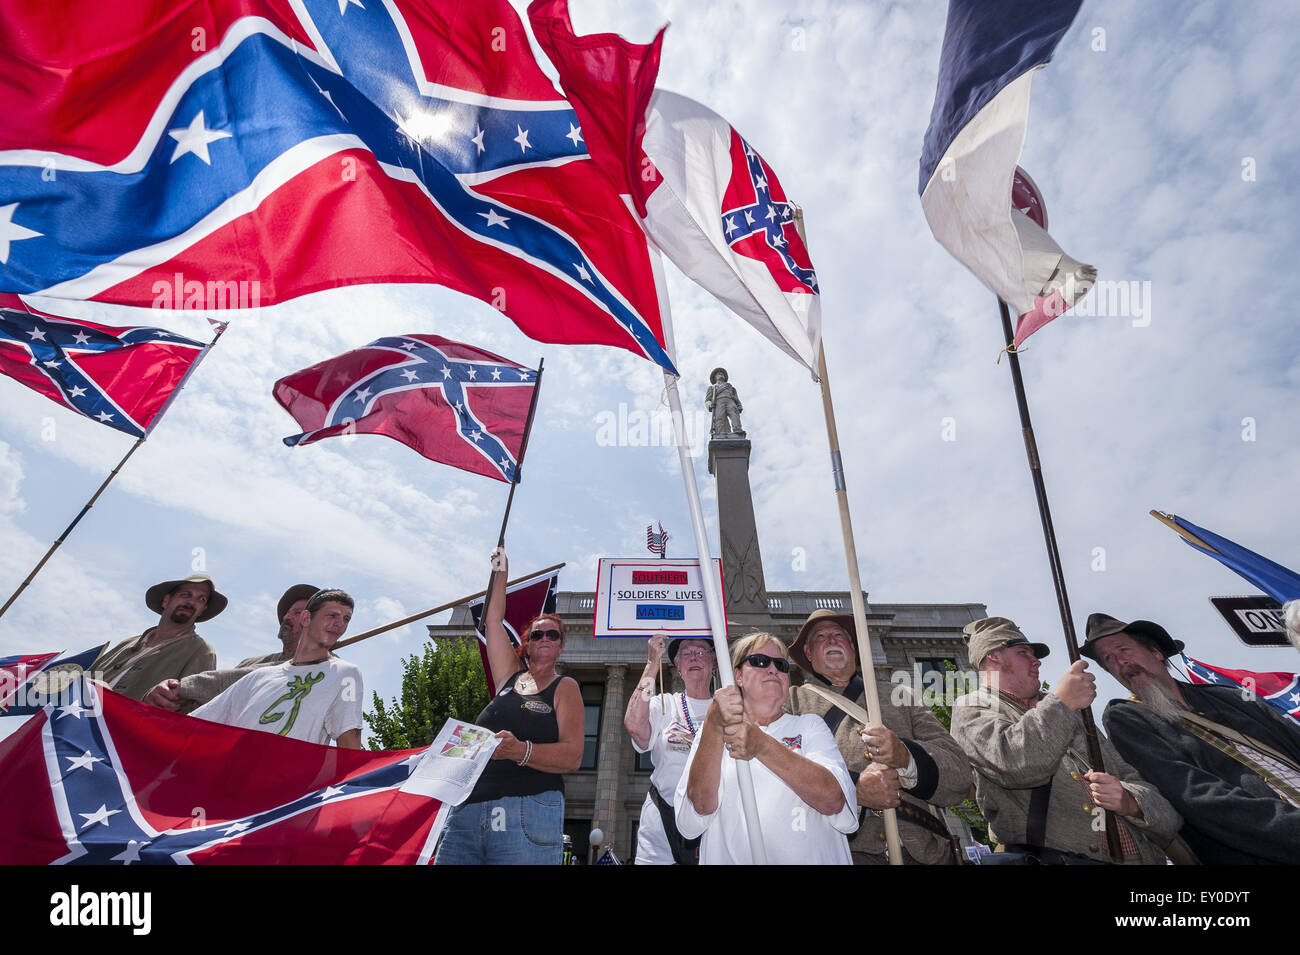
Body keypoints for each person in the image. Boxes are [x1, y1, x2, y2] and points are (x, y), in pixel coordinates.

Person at [950, 616, 1179, 864]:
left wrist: (1130, 801)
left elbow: (1141, 785)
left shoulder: (1074, 710)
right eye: (1023, 652)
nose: (1036, 661)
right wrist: (1061, 703)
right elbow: (1017, 764)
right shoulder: (971, 707)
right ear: (994, 656)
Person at [1083, 611, 1300, 864]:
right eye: (1109, 659)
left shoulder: (1232, 697)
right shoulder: (1127, 718)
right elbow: (1198, 797)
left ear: (1156, 653)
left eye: (1124, 650)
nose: (1120, 662)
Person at [786, 609, 972, 864]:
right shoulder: (791, 702)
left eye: (839, 635)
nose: (831, 640)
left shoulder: (900, 695)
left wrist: (906, 758)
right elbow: (781, 772)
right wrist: (853, 791)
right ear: (808, 654)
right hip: (842, 853)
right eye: (821, 637)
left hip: (925, 853)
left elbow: (960, 774)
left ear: (853, 647)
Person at [435, 548, 583, 864]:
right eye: (538, 633)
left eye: (553, 634)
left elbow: (572, 756)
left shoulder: (564, 687)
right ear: (526, 643)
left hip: (526, 806)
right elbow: (492, 619)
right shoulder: (508, 678)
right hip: (468, 808)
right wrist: (500, 573)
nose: (545, 638)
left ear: (560, 645)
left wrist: (519, 751)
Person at [675, 632, 857, 864]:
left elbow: (832, 799)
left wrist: (761, 744)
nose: (773, 669)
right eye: (760, 661)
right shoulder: (711, 734)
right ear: (738, 676)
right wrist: (712, 723)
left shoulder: (810, 726)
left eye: (781, 665)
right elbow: (699, 807)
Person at [189, 588, 363, 748]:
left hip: (289, 780)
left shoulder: (345, 675)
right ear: (306, 618)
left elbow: (349, 743)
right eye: (332, 615)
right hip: (234, 776)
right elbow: (195, 725)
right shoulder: (258, 677)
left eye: (346, 619)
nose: (340, 624)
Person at [144, 583, 318, 713]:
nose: (287, 617)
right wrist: (171, 697)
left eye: (296, 613)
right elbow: (216, 702)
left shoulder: (321, 666)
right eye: (288, 612)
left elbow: (255, 677)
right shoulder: (251, 662)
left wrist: (184, 687)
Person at [624, 633, 716, 864]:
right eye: (686, 654)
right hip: (661, 827)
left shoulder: (725, 708)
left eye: (701, 652)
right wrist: (652, 664)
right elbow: (635, 726)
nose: (693, 657)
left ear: (714, 663)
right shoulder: (664, 704)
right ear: (677, 666)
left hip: (714, 824)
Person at [93, 575, 225, 702]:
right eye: (186, 595)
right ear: (166, 600)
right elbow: (91, 674)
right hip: (84, 720)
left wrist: (153, 703)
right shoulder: (128, 643)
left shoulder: (201, 651)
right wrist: (94, 690)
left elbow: (193, 708)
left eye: (201, 599)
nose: (191, 602)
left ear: (202, 610)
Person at [704, 367, 744, 436]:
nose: (721, 375)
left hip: (730, 401)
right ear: (715, 377)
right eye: (718, 374)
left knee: (735, 416)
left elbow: (736, 398)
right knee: (719, 419)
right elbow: (707, 400)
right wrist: (710, 405)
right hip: (718, 402)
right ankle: (720, 434)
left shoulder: (731, 387)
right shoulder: (712, 387)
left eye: (722, 374)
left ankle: (738, 432)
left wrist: (739, 405)